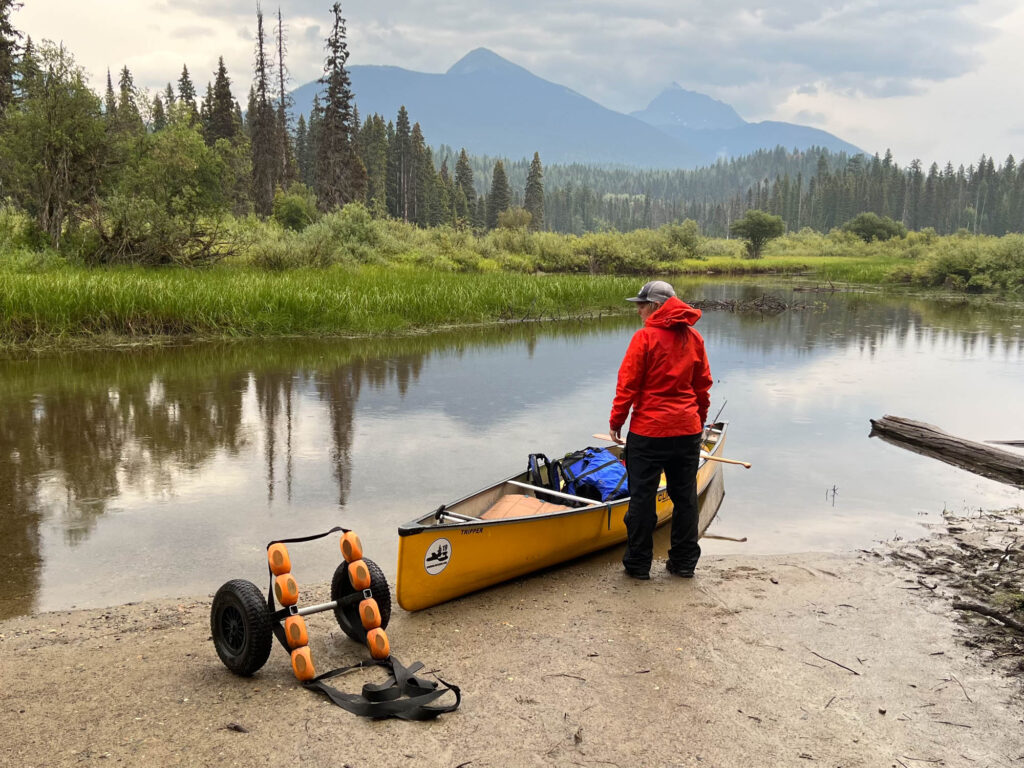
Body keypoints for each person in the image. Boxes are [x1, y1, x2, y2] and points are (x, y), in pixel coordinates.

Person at [609, 280, 712, 580]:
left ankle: (638, 565)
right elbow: (702, 387)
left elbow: (627, 385)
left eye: (642, 304)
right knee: (685, 499)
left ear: (656, 306)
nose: (638, 309)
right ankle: (683, 564)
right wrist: (699, 420)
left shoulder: (644, 338)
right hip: (687, 431)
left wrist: (616, 421)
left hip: (649, 433)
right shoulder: (694, 338)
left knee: (642, 499)